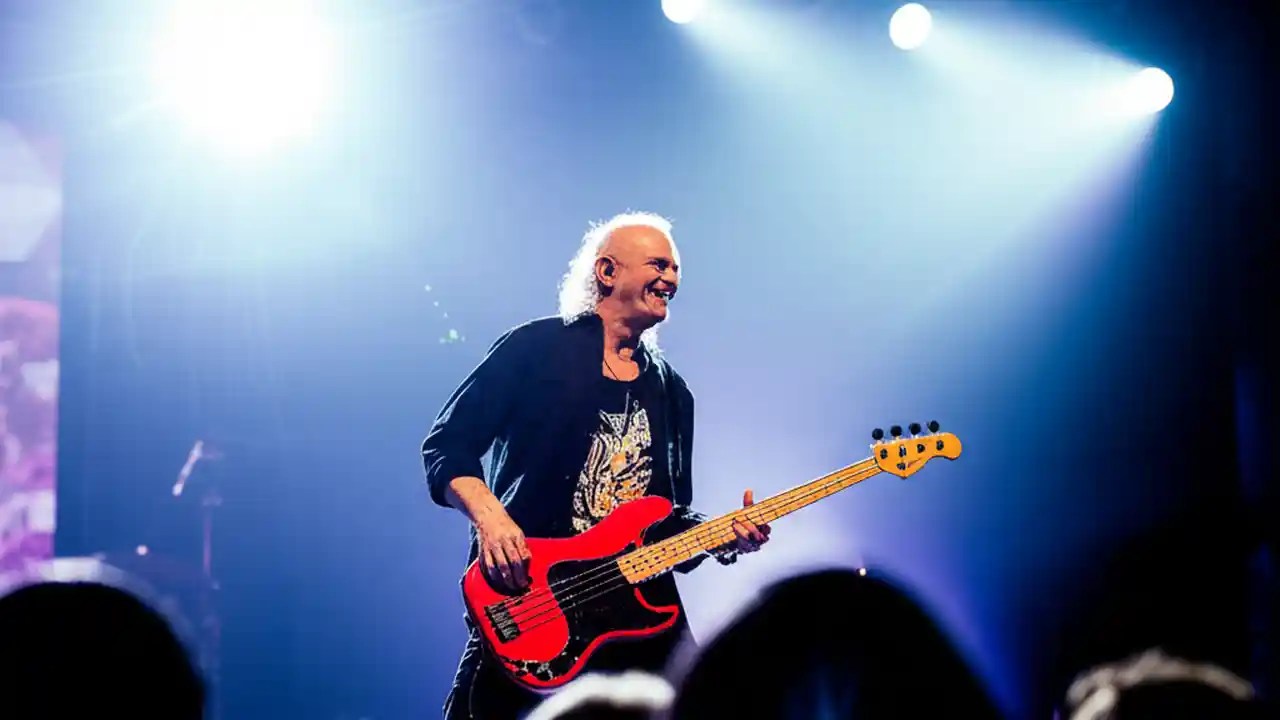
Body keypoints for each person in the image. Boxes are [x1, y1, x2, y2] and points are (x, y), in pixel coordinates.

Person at [422, 211, 770, 719]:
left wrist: (717, 535)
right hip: (536, 600)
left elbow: (667, 515)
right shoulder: (535, 349)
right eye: (658, 264)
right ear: (607, 272)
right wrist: (492, 520)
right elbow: (447, 444)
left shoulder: (672, 393)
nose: (672, 278)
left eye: (676, 269)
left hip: (638, 614)